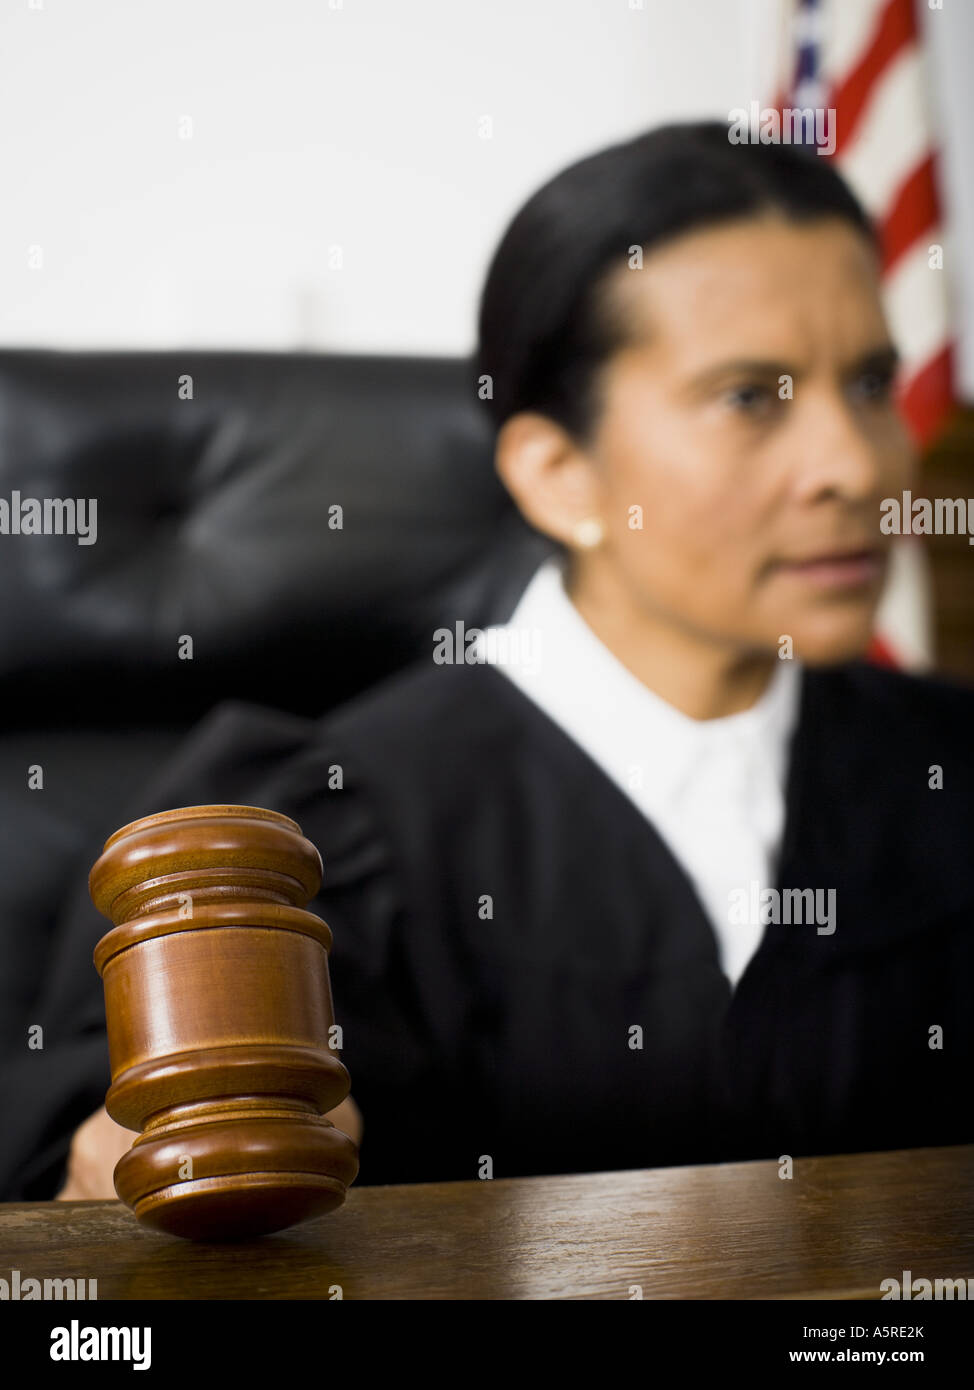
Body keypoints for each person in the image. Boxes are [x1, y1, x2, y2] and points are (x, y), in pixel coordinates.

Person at [5, 121, 973, 1201]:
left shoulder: (946, 764)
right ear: (557, 472)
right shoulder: (313, 833)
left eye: (873, 384)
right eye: (750, 396)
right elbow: (82, 1212)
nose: (853, 463)